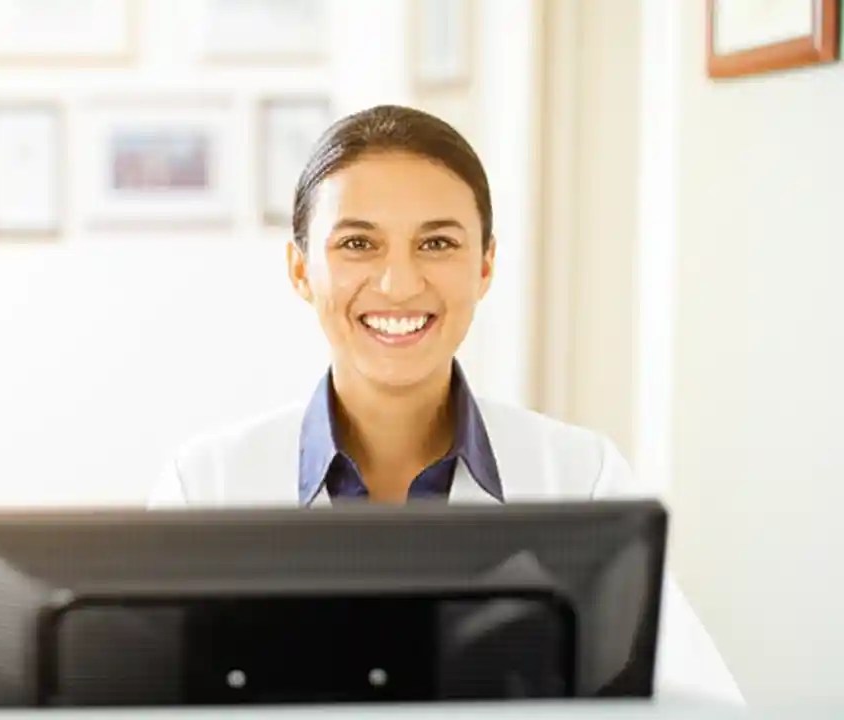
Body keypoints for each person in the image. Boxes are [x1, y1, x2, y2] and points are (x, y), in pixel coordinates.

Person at [149, 104, 742, 704]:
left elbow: (702, 704)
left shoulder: (581, 477)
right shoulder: (206, 485)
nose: (399, 284)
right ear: (301, 270)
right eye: (357, 243)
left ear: (484, 265)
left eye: (436, 243)